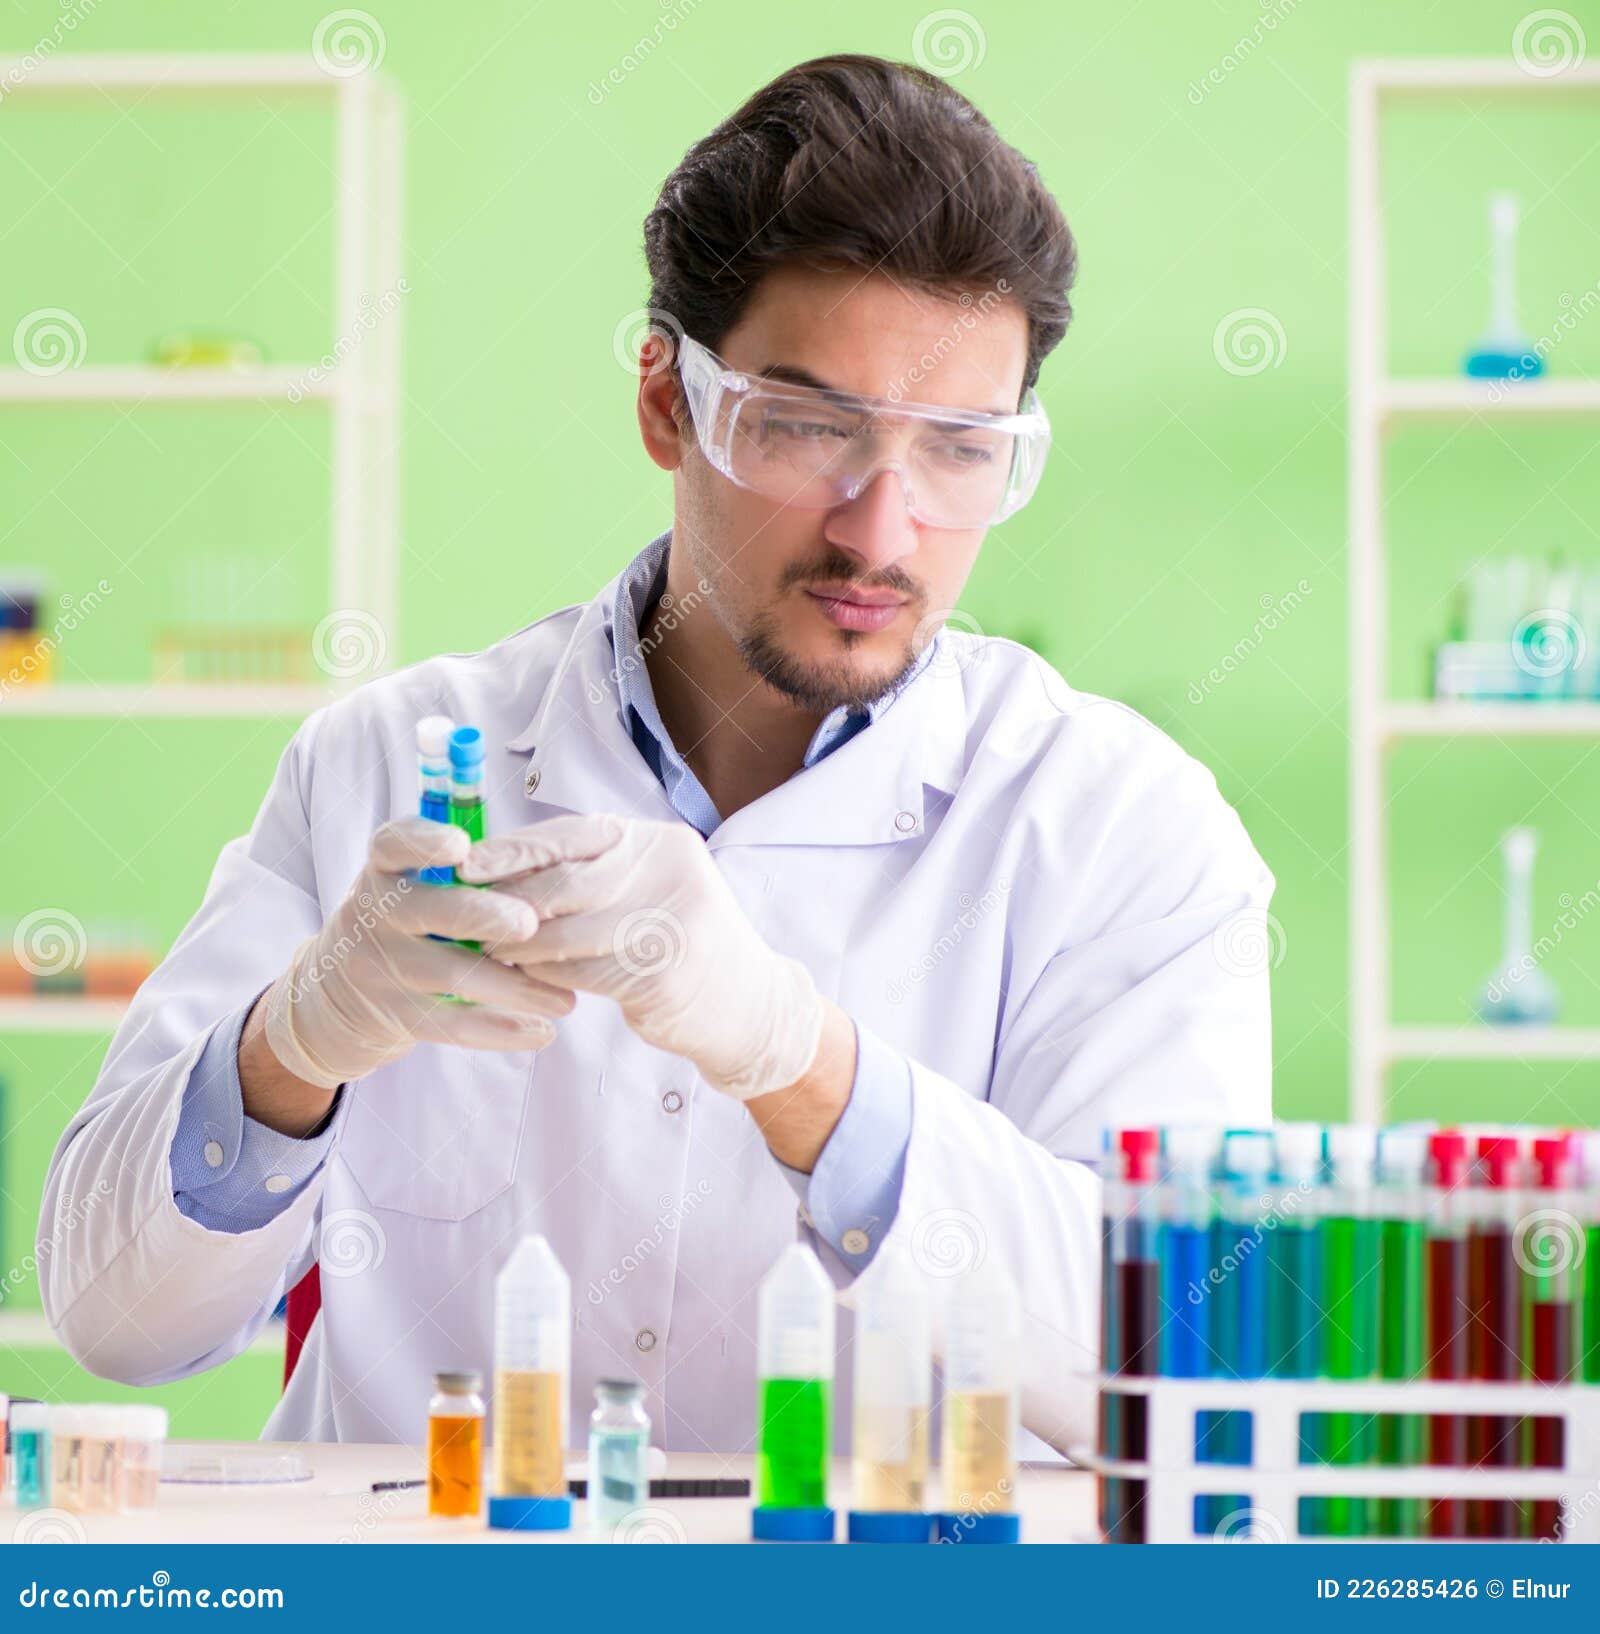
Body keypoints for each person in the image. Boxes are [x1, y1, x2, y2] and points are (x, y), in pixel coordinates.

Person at [40, 54, 1272, 1455]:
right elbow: (111, 1317)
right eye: (809, 426)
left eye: (958, 449)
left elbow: (1175, 1369)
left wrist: (807, 1066)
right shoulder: (383, 763)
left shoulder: (1125, 832)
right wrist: (290, 1045)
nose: (882, 530)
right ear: (666, 401)